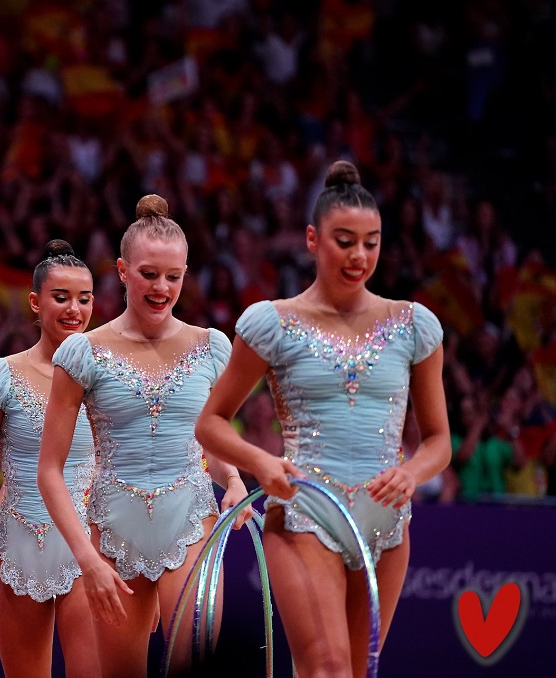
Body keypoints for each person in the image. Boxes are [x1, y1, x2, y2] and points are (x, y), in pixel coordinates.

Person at [196, 160, 451, 676]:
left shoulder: (413, 326)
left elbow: (439, 440)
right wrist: (261, 464)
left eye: (371, 242)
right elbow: (211, 424)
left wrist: (412, 473)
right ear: (312, 239)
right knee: (327, 668)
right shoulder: (273, 324)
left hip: (386, 523)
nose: (359, 256)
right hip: (304, 514)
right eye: (344, 240)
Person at [38, 195, 251, 677]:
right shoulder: (82, 352)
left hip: (189, 521)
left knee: (192, 668)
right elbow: (49, 470)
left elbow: (213, 439)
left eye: (173, 277)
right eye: (149, 274)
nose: (162, 287)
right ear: (122, 270)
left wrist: (234, 481)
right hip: (113, 534)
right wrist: (87, 560)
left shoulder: (210, 346)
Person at [0, 239, 98, 677]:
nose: (73, 309)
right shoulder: (3, 375)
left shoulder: (106, 373)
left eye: (84, 299)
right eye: (61, 297)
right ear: (35, 301)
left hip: (90, 546)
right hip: (23, 547)